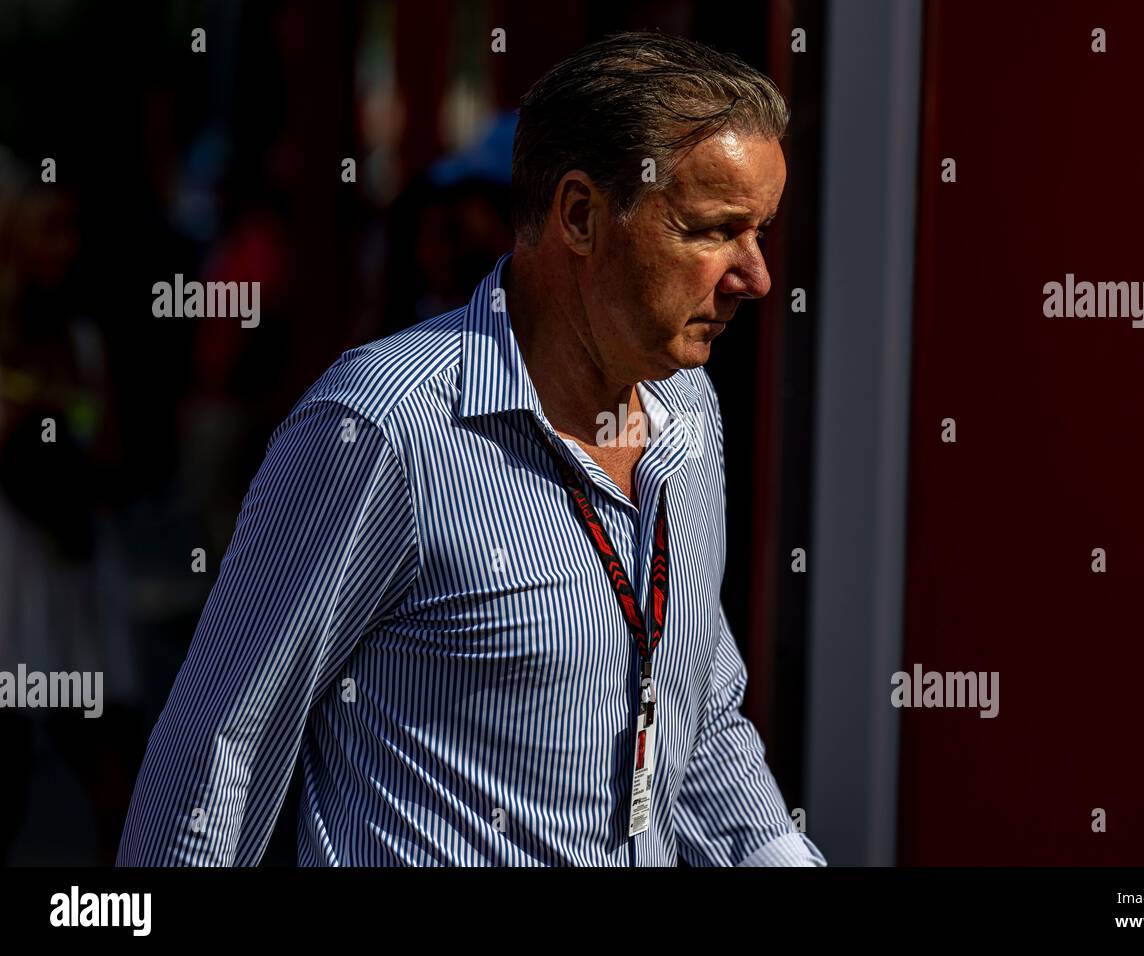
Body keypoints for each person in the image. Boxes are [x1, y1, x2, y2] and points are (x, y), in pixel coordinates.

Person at [116, 31, 826, 867]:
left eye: (762, 233)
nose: (757, 276)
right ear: (580, 215)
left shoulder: (689, 410)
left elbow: (692, 704)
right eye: (713, 231)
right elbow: (221, 750)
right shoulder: (382, 428)